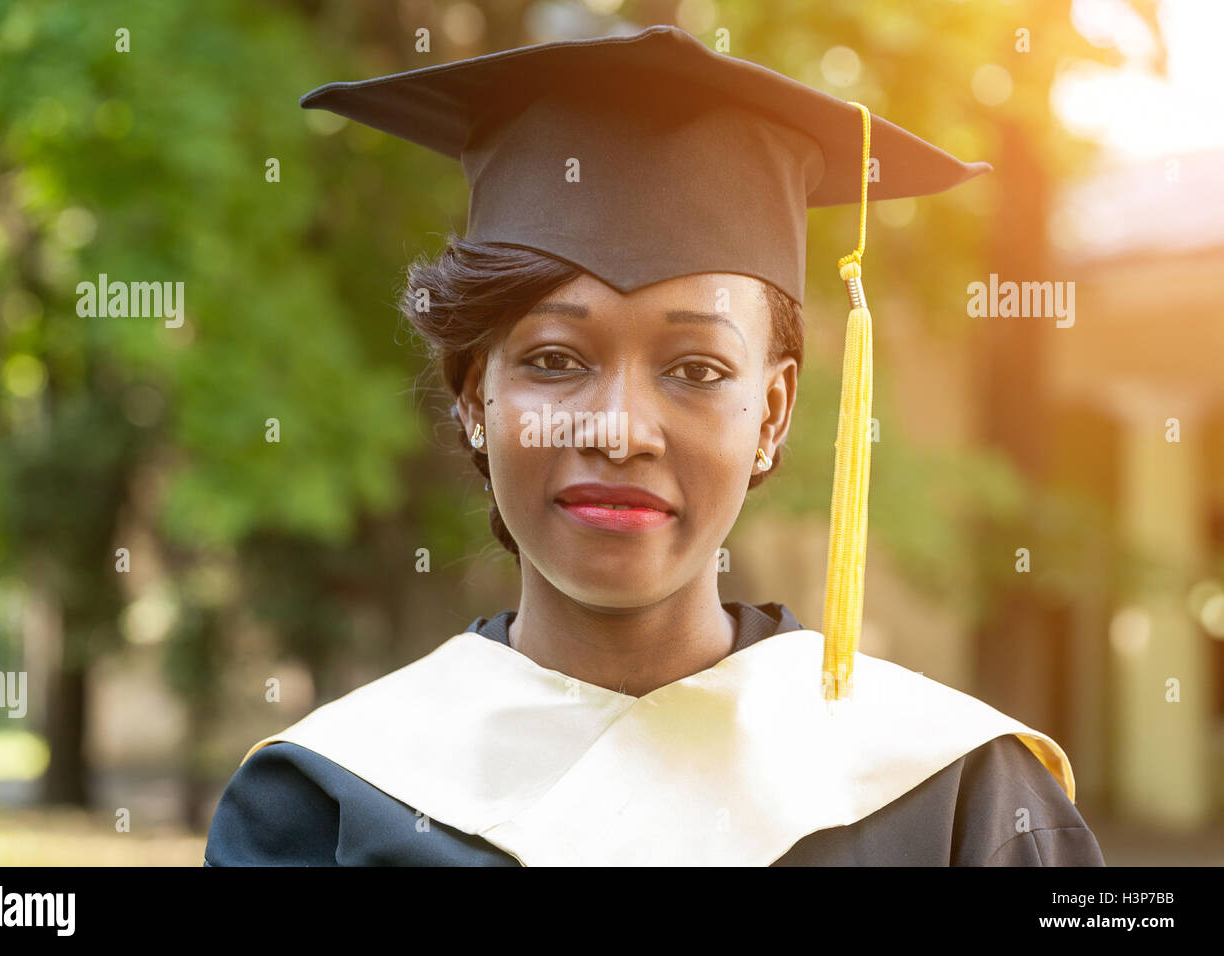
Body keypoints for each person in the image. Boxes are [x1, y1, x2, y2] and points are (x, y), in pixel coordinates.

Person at [204, 23, 1104, 866]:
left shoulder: (961, 802)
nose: (620, 429)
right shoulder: (322, 807)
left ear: (775, 415)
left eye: (699, 370)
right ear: (477, 393)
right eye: (555, 358)